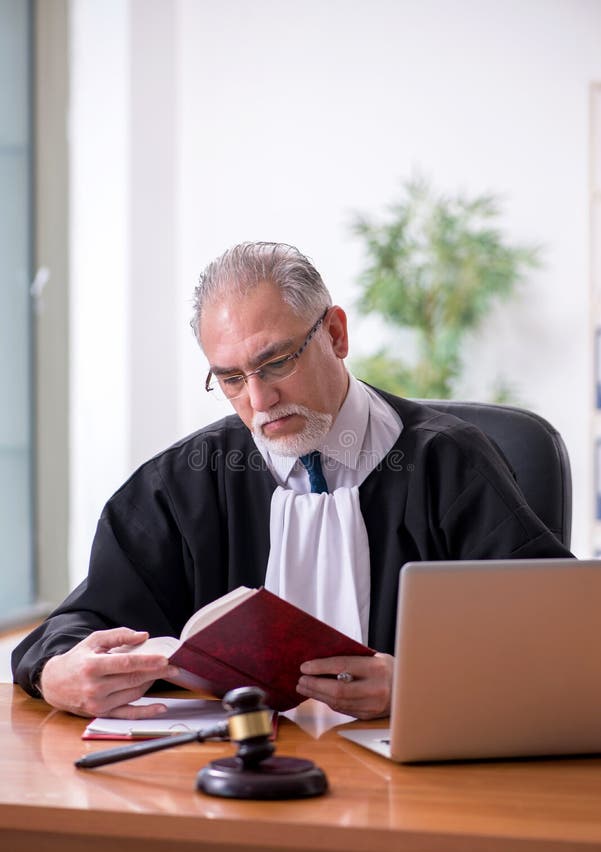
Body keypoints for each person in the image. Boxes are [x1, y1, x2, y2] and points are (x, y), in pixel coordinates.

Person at [12, 242, 572, 720]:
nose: (258, 401)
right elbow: (80, 623)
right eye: (230, 379)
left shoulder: (449, 464)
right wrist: (57, 671)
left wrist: (424, 686)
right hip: (235, 786)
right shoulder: (181, 483)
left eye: (276, 363)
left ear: (335, 333)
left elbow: (565, 637)